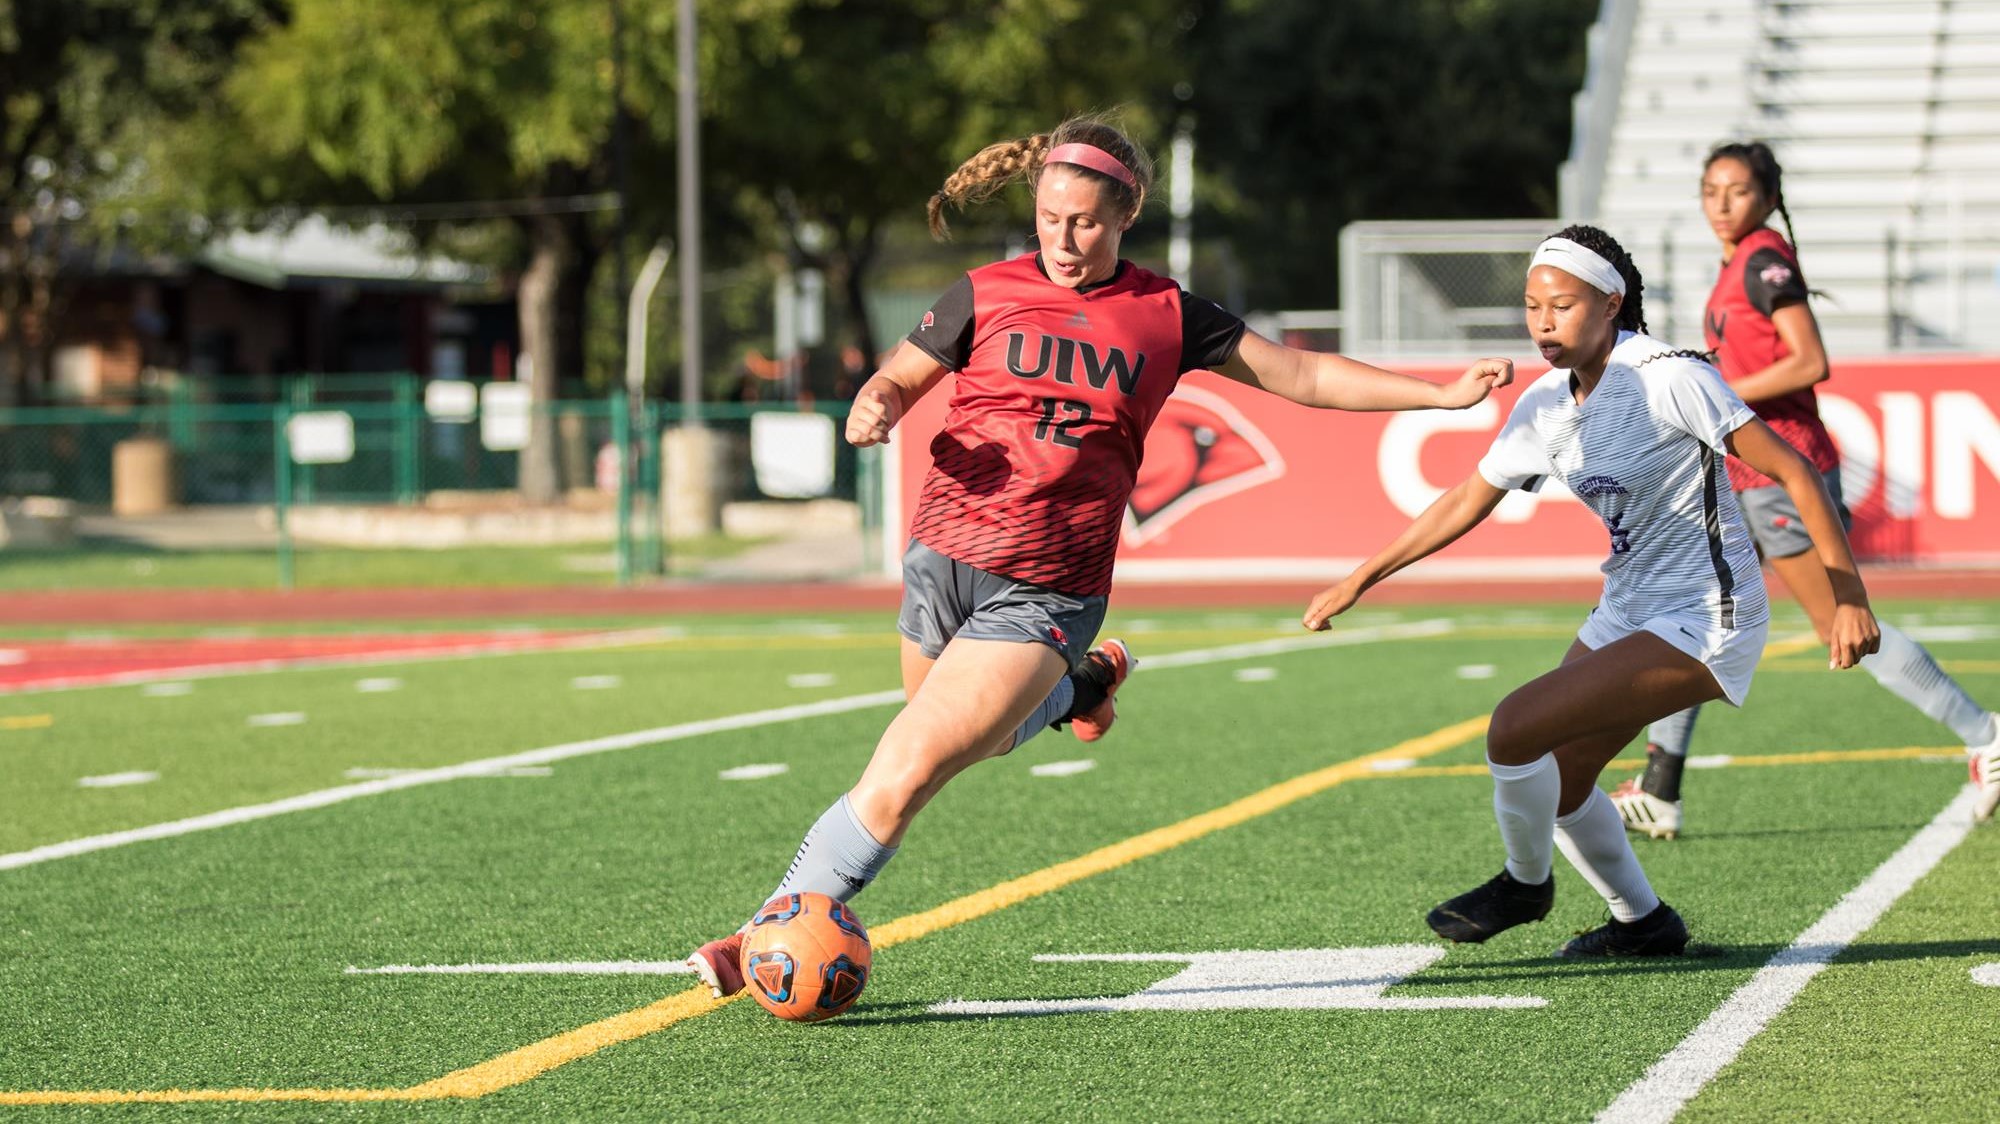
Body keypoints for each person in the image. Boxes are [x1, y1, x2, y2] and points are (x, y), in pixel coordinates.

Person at [684, 115, 1516, 997]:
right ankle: (1082, 689)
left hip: (1048, 583)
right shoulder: (982, 291)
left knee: (904, 769)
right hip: (942, 559)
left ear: (1127, 215)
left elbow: (1302, 378)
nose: (1064, 239)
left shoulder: (1166, 314)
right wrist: (876, 403)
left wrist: (1437, 395)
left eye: (1084, 221)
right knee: (973, 744)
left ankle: (762, 935)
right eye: (1049, 218)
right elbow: (898, 375)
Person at [1303, 224, 1881, 956]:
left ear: (1612, 304)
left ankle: (1524, 884)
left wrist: (1848, 597)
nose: (1544, 321)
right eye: (1532, 306)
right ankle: (1644, 923)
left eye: (1563, 305)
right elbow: (1465, 499)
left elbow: (1793, 470)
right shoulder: (1545, 403)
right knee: (1566, 777)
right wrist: (1361, 578)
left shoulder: (1671, 376)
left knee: (1513, 728)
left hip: (1709, 616)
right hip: (1629, 607)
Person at [1610, 141, 2000, 839]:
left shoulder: (1763, 260)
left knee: (1844, 625)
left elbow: (1809, 358)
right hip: (1747, 475)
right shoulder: (1743, 263)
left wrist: (1712, 391)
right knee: (1696, 614)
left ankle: (1987, 736)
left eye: (1736, 190)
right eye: (1710, 191)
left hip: (1781, 473)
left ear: (1765, 197)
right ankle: (1661, 788)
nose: (1720, 204)